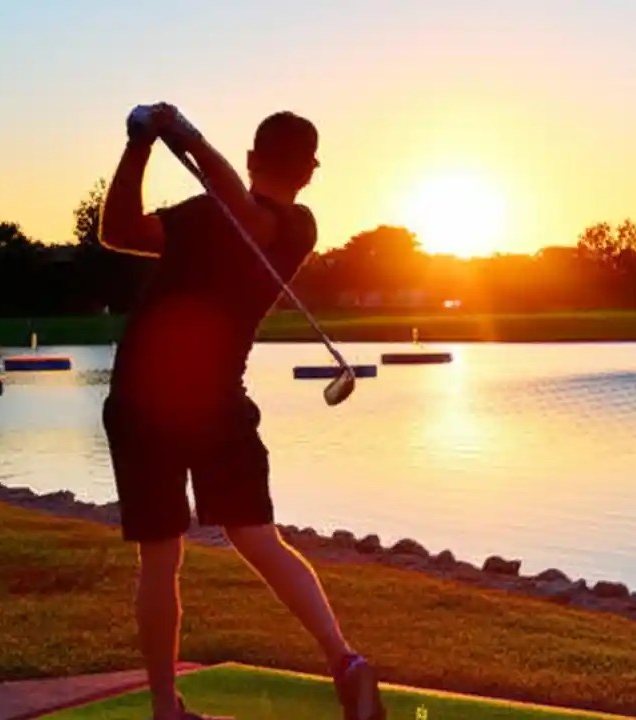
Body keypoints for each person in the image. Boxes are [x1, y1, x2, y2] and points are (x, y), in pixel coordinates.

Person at [98, 103, 386, 720]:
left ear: (254, 158)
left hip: (154, 396)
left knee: (171, 555)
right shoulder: (226, 214)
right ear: (310, 171)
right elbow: (119, 233)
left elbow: (247, 222)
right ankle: (344, 661)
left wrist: (186, 139)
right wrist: (142, 143)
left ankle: (166, 710)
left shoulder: (287, 225)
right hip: (188, 400)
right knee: (247, 539)